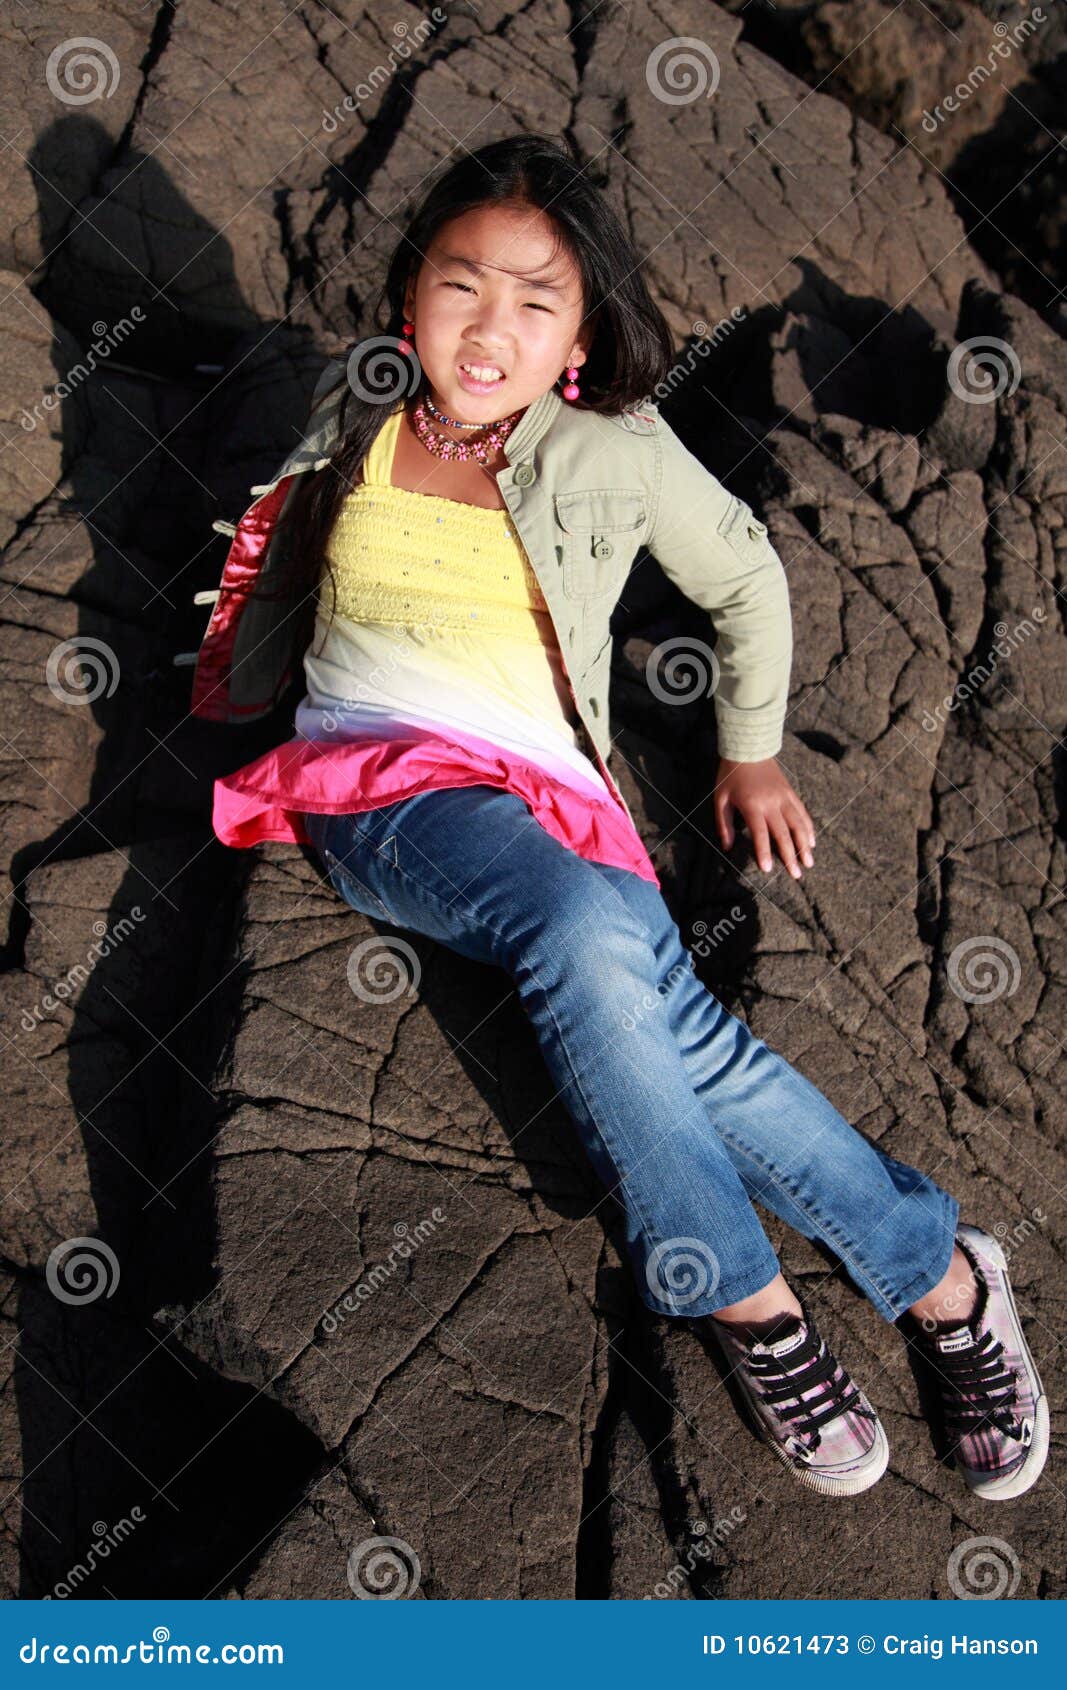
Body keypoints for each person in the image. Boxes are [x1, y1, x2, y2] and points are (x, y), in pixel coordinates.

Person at [193, 134, 1047, 1501]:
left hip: (558, 790)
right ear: (412, 287)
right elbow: (278, 550)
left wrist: (751, 755)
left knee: (656, 1003)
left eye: (538, 301)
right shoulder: (362, 402)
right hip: (377, 785)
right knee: (588, 929)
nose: (490, 329)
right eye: (462, 285)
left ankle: (943, 1275)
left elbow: (750, 577)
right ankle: (750, 1296)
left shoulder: (614, 451)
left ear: (584, 329)